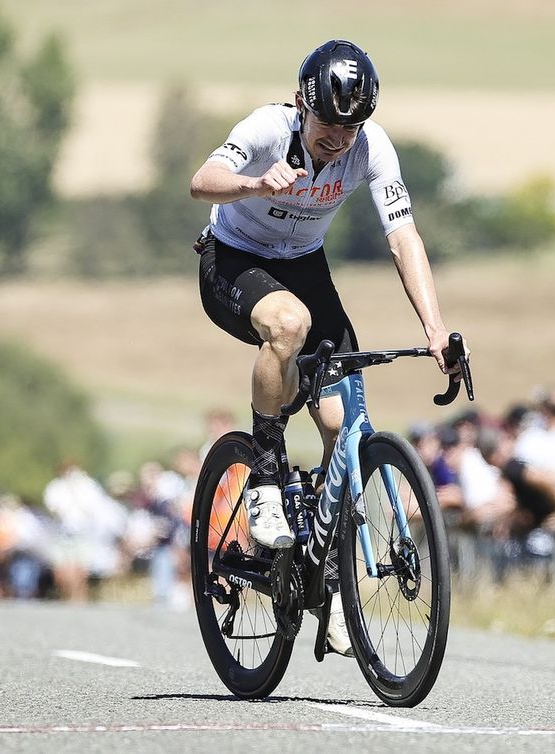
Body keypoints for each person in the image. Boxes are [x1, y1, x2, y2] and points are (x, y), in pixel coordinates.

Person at [190, 40, 463, 656]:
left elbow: (403, 237)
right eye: (327, 125)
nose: (338, 139)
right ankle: (264, 472)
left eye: (351, 127)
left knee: (345, 424)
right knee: (288, 325)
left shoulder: (372, 146)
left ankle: (335, 582)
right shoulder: (265, 128)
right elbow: (201, 183)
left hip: (304, 265)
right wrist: (256, 183)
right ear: (300, 104)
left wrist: (435, 328)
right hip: (232, 261)